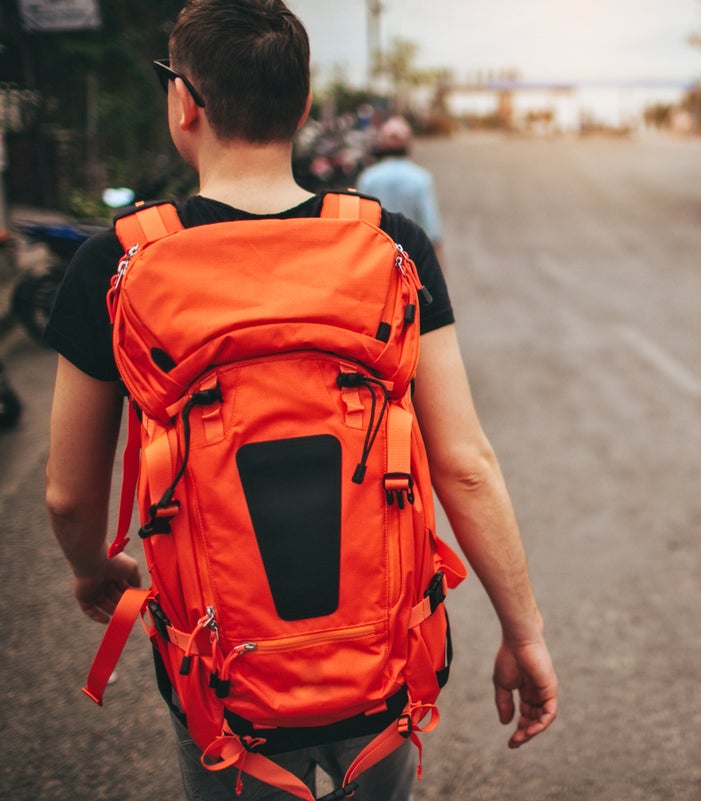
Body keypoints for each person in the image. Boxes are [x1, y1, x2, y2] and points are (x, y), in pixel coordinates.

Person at [42, 1, 557, 799]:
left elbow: (69, 495)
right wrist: (524, 631)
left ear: (185, 103)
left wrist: (91, 570)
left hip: (221, 678)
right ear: (304, 103)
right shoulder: (390, 245)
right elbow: (466, 466)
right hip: (380, 658)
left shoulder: (117, 261)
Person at [356, 116, 444, 258]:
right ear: (409, 144)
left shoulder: (368, 178)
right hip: (411, 262)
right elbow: (431, 228)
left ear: (382, 144)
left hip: (375, 260)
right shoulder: (421, 178)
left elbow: (359, 226)